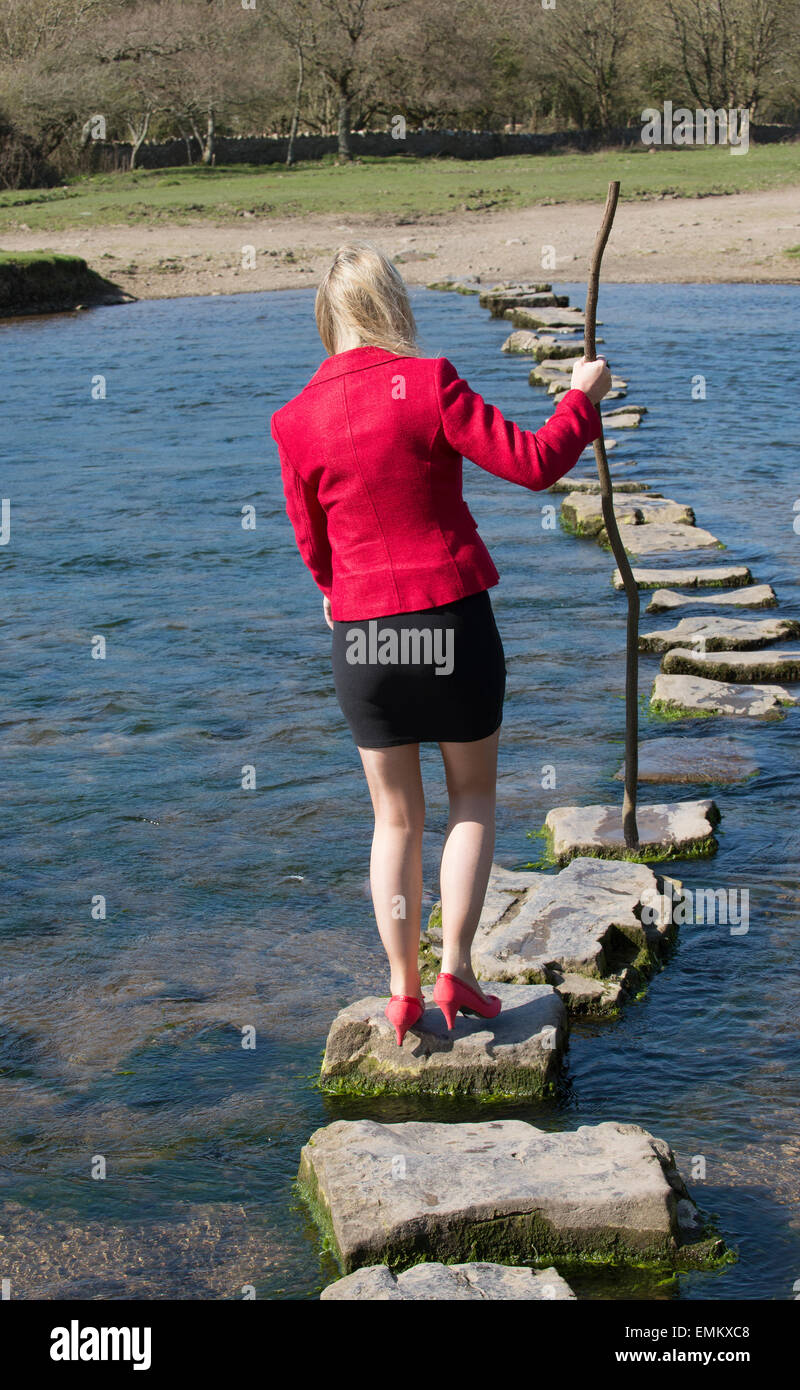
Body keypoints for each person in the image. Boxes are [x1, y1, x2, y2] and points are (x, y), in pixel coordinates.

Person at [271, 242, 611, 1045]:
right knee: (473, 801)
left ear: (329, 318)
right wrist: (580, 398)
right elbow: (535, 464)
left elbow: (310, 543)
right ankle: (457, 969)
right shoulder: (427, 383)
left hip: (362, 637)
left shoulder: (293, 419)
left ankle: (401, 992)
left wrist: (335, 593)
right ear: (392, 305)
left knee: (394, 822)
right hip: (452, 619)